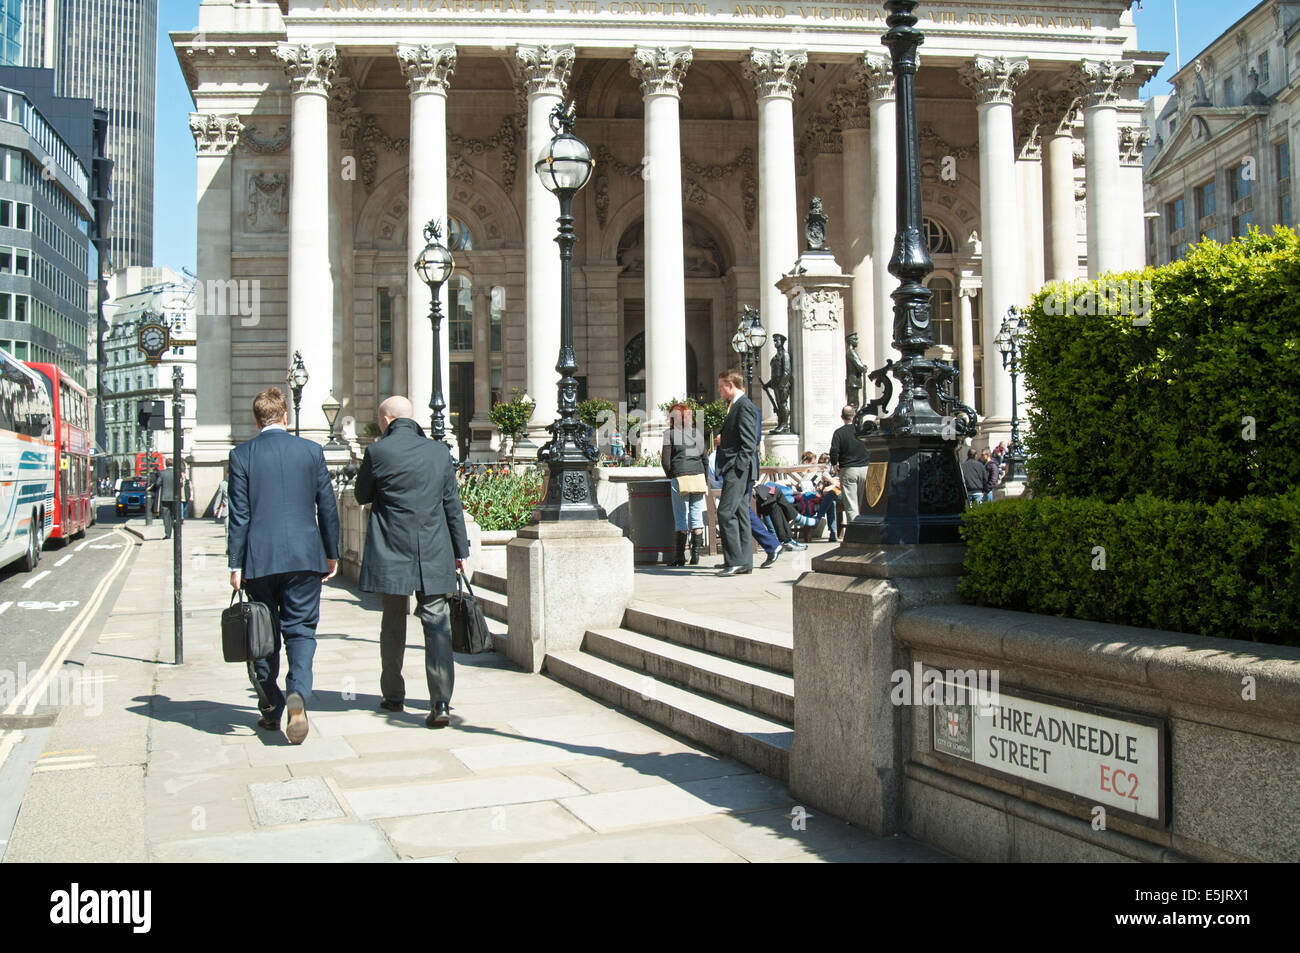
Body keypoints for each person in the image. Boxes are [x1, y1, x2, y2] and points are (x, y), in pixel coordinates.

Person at [227, 387, 340, 744]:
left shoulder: (241, 455)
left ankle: (271, 706)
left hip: (260, 560)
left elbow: (239, 516)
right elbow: (328, 507)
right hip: (306, 558)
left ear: (257, 419)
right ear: (285, 417)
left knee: (262, 634)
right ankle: (298, 694)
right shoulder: (311, 451)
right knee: (301, 631)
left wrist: (235, 563)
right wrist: (331, 552)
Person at [354, 396, 470, 729]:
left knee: (392, 624)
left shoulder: (377, 452)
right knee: (437, 626)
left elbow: (362, 495)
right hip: (434, 551)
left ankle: (393, 694)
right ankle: (441, 701)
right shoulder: (438, 452)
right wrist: (460, 552)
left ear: (386, 420)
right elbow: (452, 505)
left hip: (391, 550)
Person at [714, 369, 760, 576]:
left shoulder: (744, 406)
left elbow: (750, 442)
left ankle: (735, 561)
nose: (719, 390)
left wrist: (737, 468)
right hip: (736, 466)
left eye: (721, 386)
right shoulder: (736, 406)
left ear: (730, 385)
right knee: (740, 512)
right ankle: (743, 561)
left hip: (738, 468)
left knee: (725, 512)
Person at [661, 402, 708, 566]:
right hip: (698, 476)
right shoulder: (697, 433)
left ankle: (680, 556)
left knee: (681, 516)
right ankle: (695, 555)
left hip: (680, 477)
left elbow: (665, 461)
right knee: (696, 515)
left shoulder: (670, 434)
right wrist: (705, 479)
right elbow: (705, 458)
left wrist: (671, 475)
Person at [829, 404, 870, 521]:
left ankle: (854, 530)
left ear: (842, 417)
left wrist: (834, 464)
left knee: (851, 504)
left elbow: (834, 451)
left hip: (848, 470)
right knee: (864, 503)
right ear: (855, 415)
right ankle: (865, 526)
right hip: (865, 468)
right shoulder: (863, 431)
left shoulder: (839, 433)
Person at [154, 458, 180, 539]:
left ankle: (168, 534)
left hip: (165, 497)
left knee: (166, 517)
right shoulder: (177, 472)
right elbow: (181, 484)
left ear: (166, 464)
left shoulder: (162, 473)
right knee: (175, 516)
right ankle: (176, 533)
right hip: (175, 498)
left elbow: (158, 483)